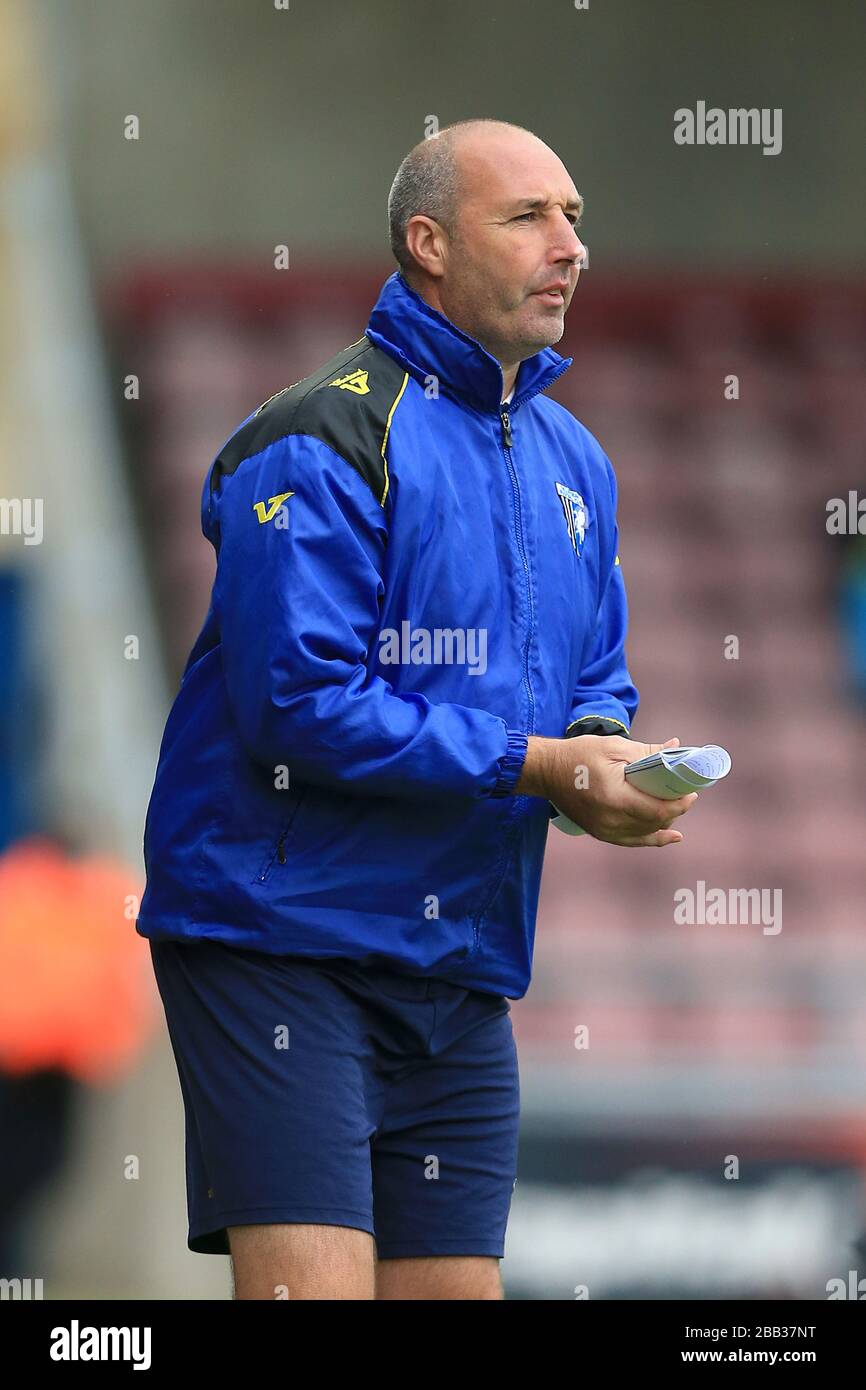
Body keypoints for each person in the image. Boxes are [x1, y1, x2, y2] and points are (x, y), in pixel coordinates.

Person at [137, 118, 698, 1300]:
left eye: (575, 219)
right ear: (427, 243)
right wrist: (536, 766)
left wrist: (602, 755)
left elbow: (591, 676)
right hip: (281, 943)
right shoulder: (318, 435)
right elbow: (300, 704)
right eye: (528, 218)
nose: (568, 248)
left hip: (459, 964)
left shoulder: (574, 460)